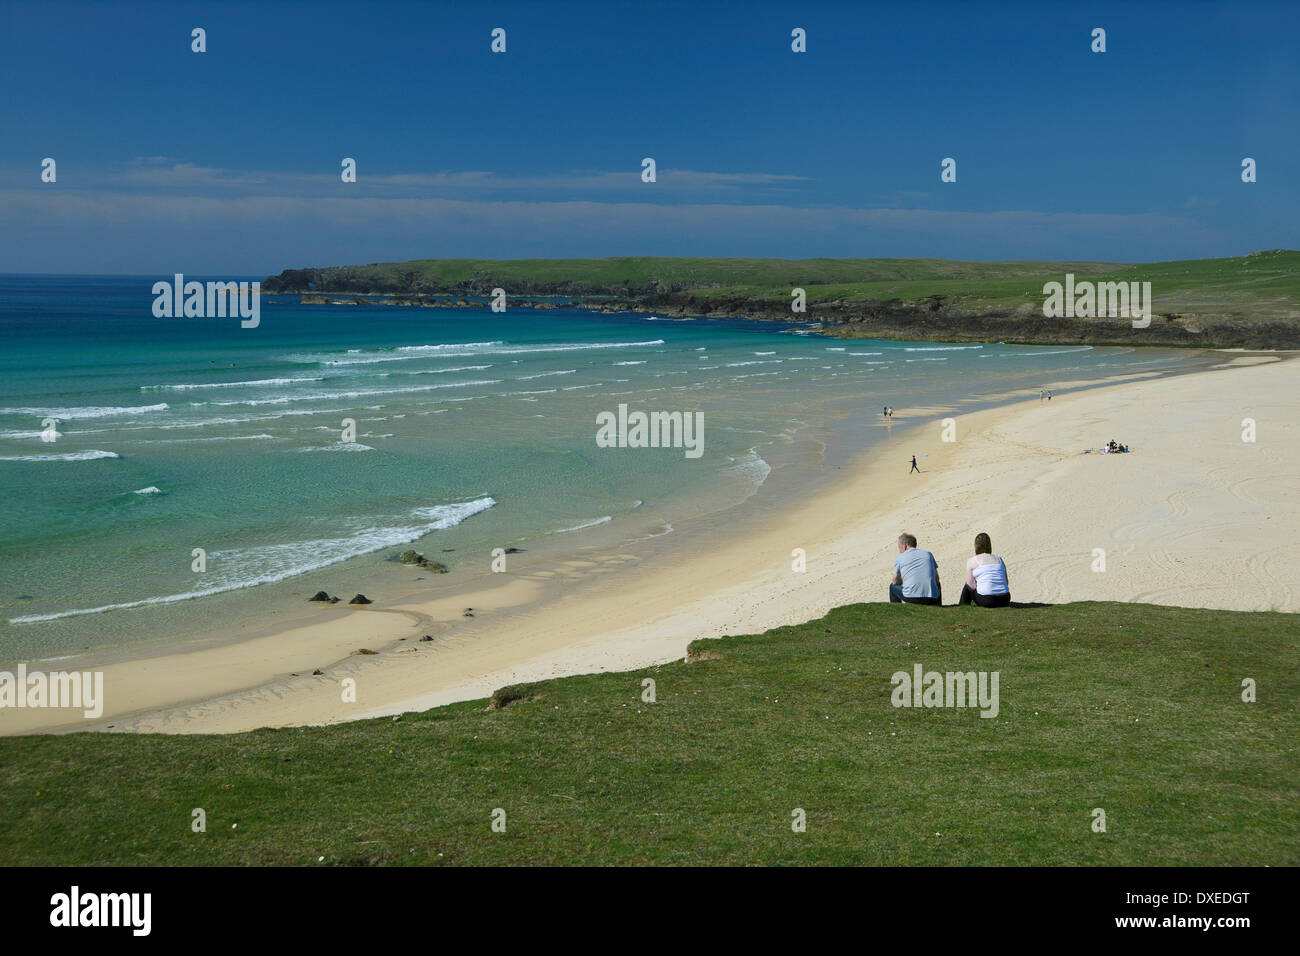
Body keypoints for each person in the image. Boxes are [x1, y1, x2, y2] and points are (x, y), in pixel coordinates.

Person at [959, 532, 1011, 607]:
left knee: (967, 586)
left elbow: (970, 585)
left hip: (987, 600)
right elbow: (1006, 581)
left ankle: (963, 605)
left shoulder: (972, 561)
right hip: (1005, 599)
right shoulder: (999, 559)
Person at [889, 533, 941, 605]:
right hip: (932, 597)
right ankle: (938, 606)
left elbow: (895, 581)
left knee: (892, 586)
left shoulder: (900, 557)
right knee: (937, 584)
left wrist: (902, 581)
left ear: (905, 546)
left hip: (912, 597)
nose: (899, 550)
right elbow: (937, 579)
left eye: (899, 547)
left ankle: (896, 610)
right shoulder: (928, 554)